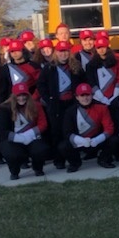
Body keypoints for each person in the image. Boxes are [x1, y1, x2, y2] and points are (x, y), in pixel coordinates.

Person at [36, 39, 84, 170]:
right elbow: (41, 85)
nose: (63, 54)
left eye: (66, 52)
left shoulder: (76, 66)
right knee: (57, 132)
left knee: (72, 131)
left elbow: (83, 83)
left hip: (72, 104)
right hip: (56, 105)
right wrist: (48, 99)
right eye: (61, 52)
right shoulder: (49, 67)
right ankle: (59, 159)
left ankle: (74, 159)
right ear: (56, 53)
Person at [59, 82, 115, 172]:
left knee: (113, 140)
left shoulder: (102, 108)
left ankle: (103, 159)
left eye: (87, 95)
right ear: (77, 97)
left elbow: (109, 128)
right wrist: (82, 141)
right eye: (82, 95)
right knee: (63, 146)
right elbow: (67, 132)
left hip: (96, 140)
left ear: (92, 95)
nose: (85, 98)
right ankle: (75, 163)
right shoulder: (70, 111)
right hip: (80, 141)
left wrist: (97, 139)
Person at [0, 82, 49, 179]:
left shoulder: (36, 105)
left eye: (24, 95)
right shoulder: (4, 108)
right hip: (13, 139)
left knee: (41, 149)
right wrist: (20, 138)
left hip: (32, 137)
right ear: (13, 96)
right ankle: (14, 172)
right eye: (18, 95)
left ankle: (38, 168)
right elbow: (3, 131)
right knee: (11, 153)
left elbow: (43, 124)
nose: (21, 98)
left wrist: (29, 134)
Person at [0, 39, 40, 103]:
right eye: (12, 51)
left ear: (23, 51)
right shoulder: (5, 69)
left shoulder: (34, 66)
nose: (15, 53)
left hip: (31, 102)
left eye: (17, 50)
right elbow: (2, 90)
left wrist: (33, 99)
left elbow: (40, 85)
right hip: (12, 104)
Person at [86, 35, 119, 105]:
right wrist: (101, 98)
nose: (101, 50)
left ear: (107, 47)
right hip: (97, 99)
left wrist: (115, 96)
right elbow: (91, 82)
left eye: (103, 47)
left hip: (116, 97)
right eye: (99, 47)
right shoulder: (90, 65)